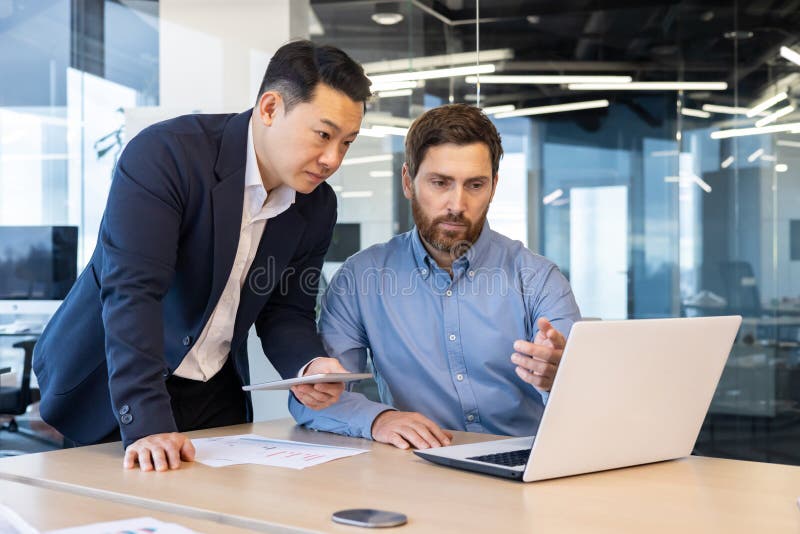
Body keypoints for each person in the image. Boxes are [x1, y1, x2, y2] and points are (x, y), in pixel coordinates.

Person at [33, 40, 371, 471]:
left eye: (347, 142)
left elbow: (287, 310)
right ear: (269, 108)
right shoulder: (167, 155)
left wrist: (308, 365)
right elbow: (132, 294)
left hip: (214, 389)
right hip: (116, 384)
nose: (332, 159)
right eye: (323, 135)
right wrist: (148, 423)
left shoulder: (316, 205)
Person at [290, 104, 581, 449]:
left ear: (494, 186)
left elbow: (588, 401)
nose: (457, 204)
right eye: (440, 183)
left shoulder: (538, 279)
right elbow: (313, 397)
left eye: (475, 185)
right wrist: (378, 419)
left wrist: (561, 379)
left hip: (524, 467)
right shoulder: (360, 279)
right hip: (421, 468)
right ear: (408, 181)